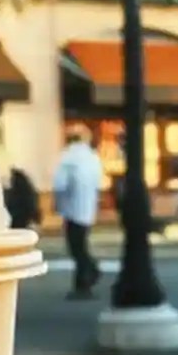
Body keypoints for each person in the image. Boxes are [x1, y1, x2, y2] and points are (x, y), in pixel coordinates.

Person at [52, 126, 104, 299]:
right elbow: (98, 183)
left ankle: (88, 276)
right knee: (81, 245)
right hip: (88, 209)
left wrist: (58, 204)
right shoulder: (92, 157)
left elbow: (60, 184)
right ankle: (85, 278)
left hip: (72, 209)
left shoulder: (68, 158)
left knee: (76, 248)